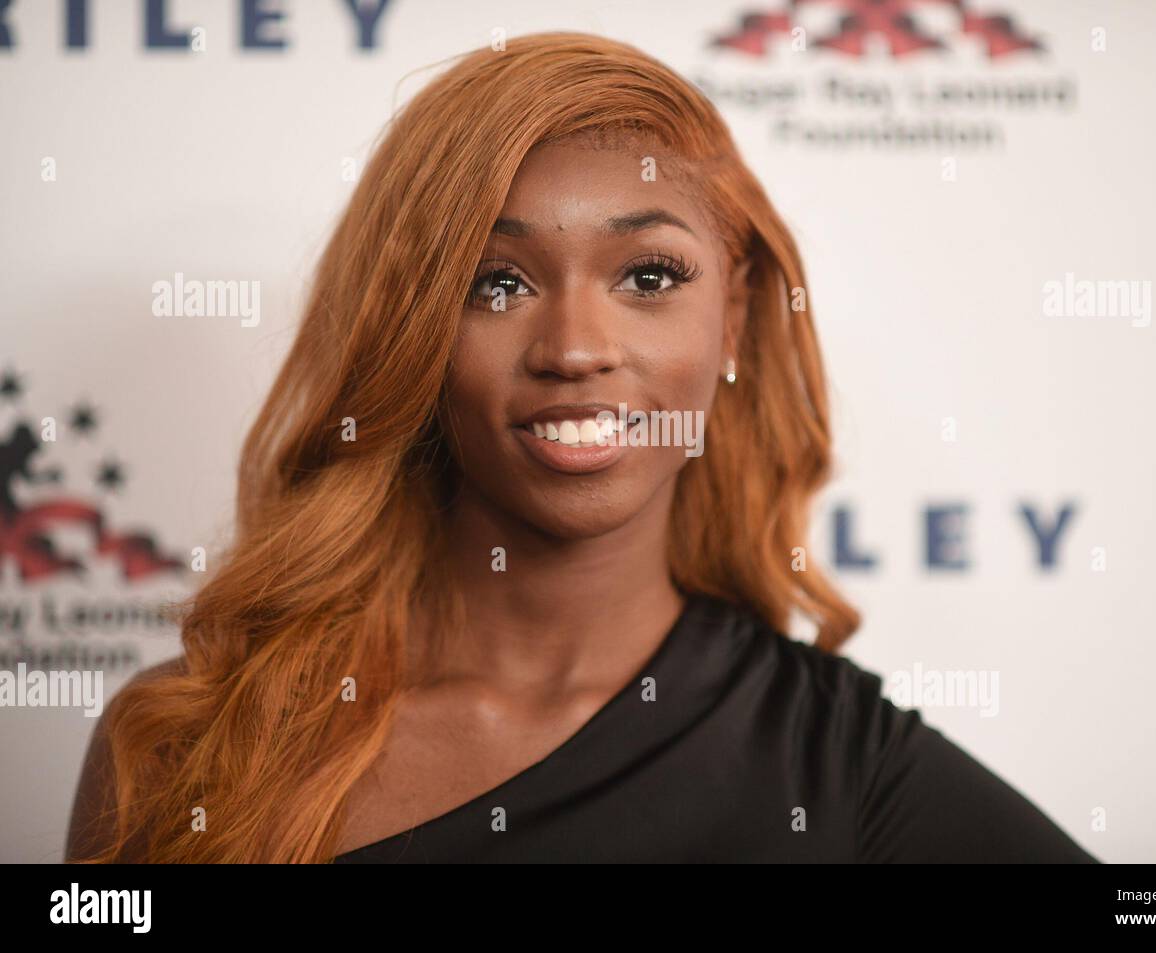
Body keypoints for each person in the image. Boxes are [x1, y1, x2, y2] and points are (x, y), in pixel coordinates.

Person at [66, 32, 1098, 864]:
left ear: (731, 323)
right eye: (497, 282)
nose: (572, 350)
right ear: (415, 332)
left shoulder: (841, 769)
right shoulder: (184, 743)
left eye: (648, 277)